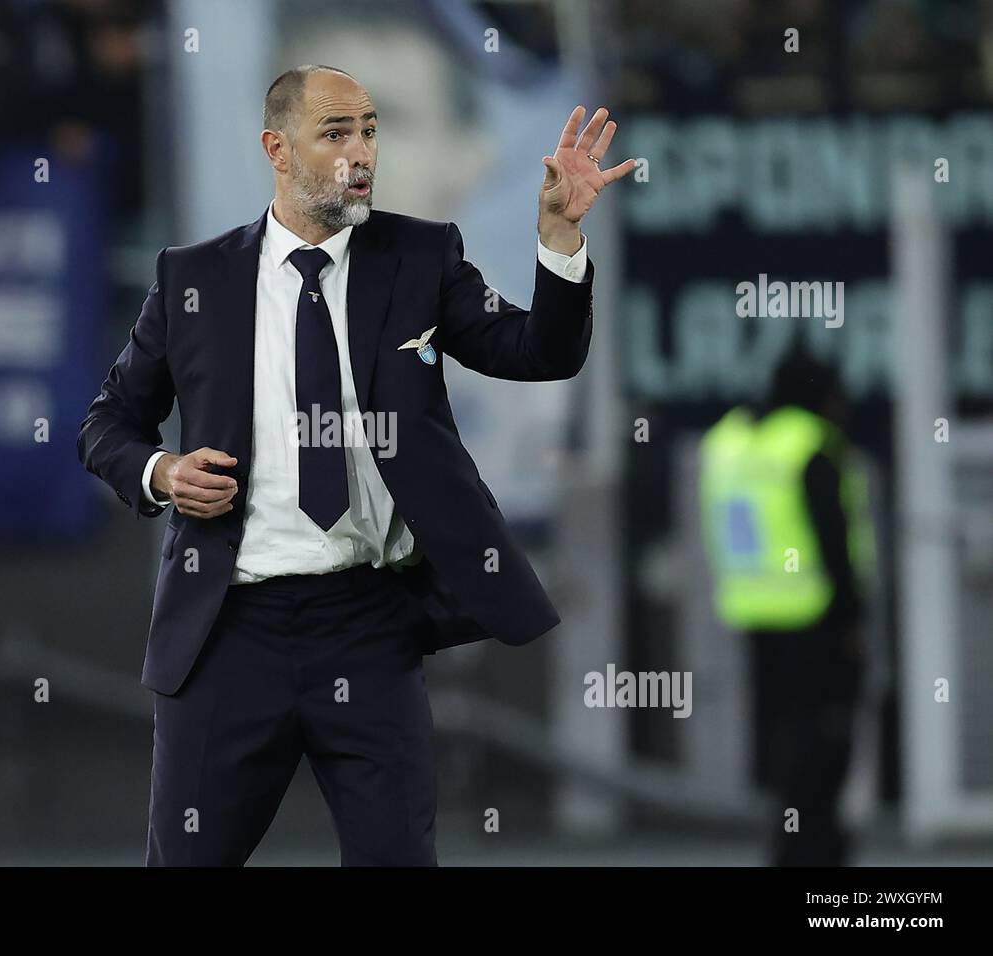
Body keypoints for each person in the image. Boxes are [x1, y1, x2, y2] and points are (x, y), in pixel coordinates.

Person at [77, 64, 635, 866]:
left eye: (370, 130)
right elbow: (107, 425)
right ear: (278, 147)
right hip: (231, 630)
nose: (361, 152)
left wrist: (559, 239)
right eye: (336, 133)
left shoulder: (419, 256)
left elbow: (536, 352)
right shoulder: (194, 279)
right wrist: (160, 473)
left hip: (369, 625)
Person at [699, 348, 875, 866]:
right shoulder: (807, 443)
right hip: (816, 620)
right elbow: (834, 540)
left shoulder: (729, 441)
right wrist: (852, 619)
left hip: (755, 614)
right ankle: (815, 856)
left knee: (785, 745)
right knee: (824, 748)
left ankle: (792, 848)